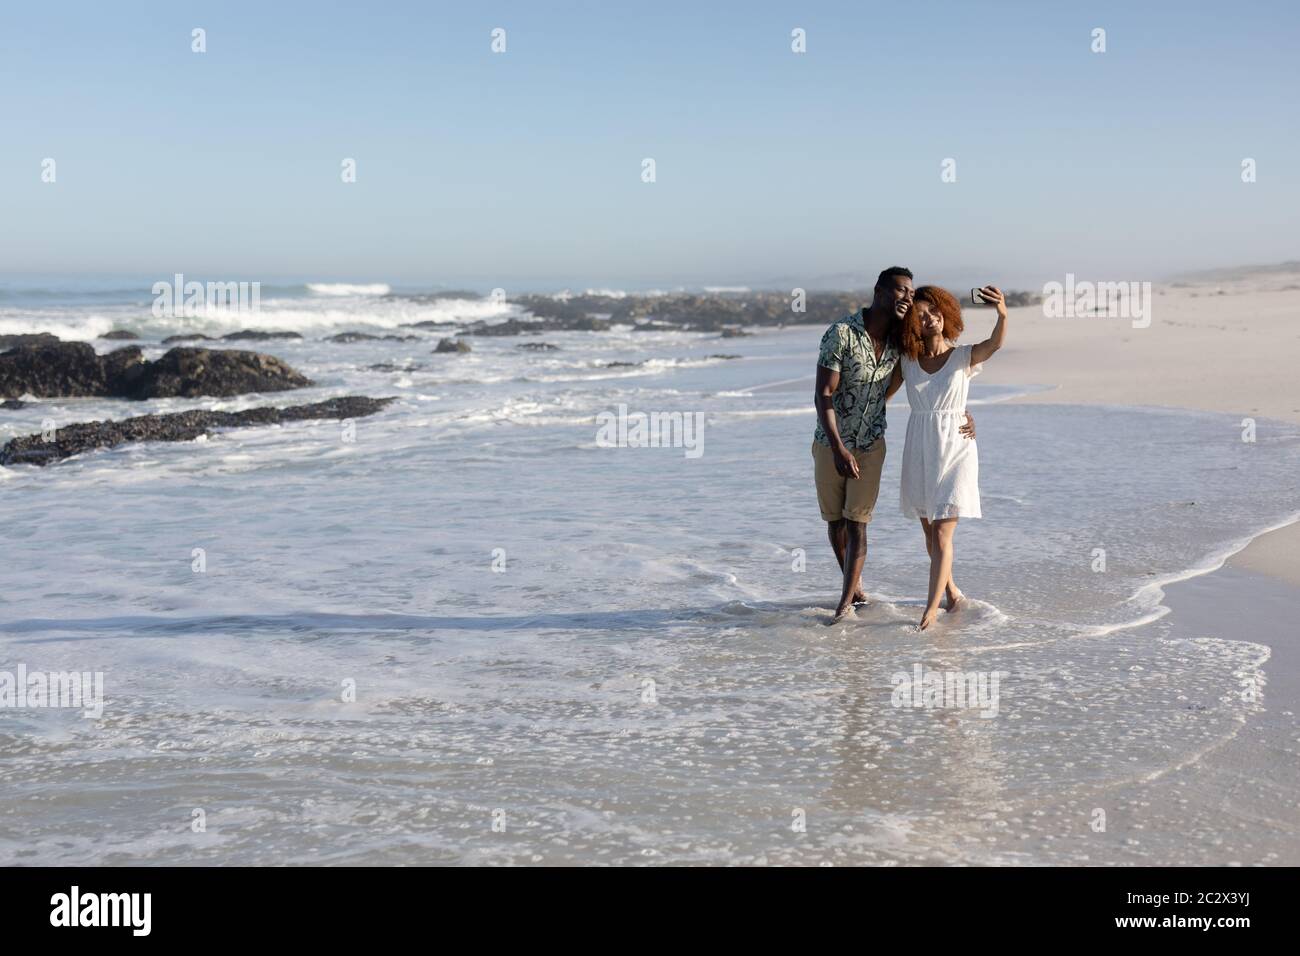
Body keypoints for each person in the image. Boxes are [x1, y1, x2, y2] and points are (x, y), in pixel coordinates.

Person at [813, 267, 975, 620]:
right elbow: (823, 393)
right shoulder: (841, 333)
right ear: (880, 291)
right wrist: (838, 447)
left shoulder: (901, 344)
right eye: (901, 291)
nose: (906, 298)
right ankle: (854, 589)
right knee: (835, 522)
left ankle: (845, 604)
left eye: (910, 292)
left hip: (871, 443)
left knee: (858, 521)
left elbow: (938, 375)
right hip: (831, 442)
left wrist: (962, 410)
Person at [896, 284, 1008, 630]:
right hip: (920, 448)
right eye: (921, 314)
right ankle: (952, 593)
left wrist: (1002, 313)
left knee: (943, 532)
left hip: (957, 449)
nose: (929, 318)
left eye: (933, 311)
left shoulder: (963, 357)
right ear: (912, 323)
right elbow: (879, 396)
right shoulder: (907, 362)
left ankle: (932, 609)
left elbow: (995, 344)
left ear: (946, 313)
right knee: (930, 533)